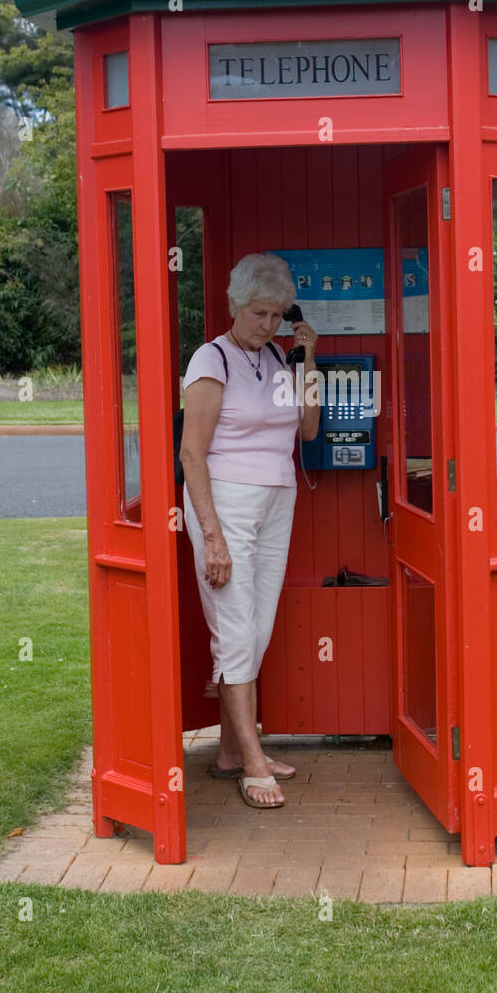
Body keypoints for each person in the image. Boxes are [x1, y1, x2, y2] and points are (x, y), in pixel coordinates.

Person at [179, 253, 320, 809]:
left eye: (277, 315)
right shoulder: (211, 361)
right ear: (234, 306)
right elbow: (192, 454)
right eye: (259, 313)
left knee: (256, 628)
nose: (268, 324)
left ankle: (230, 752)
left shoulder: (281, 363)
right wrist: (212, 536)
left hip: (277, 499)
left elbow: (307, 428)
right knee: (235, 628)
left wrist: (307, 359)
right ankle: (253, 761)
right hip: (227, 502)